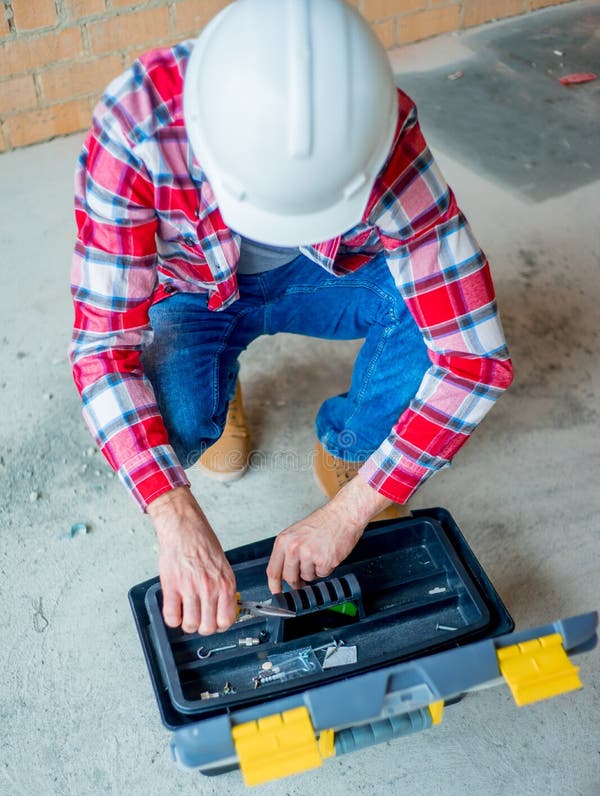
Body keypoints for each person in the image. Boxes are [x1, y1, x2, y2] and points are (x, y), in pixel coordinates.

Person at [69, 0, 513, 637]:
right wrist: (176, 518)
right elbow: (101, 349)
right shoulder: (137, 125)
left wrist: (353, 509)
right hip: (194, 291)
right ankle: (216, 388)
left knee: (423, 322)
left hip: (325, 277)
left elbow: (473, 357)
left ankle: (352, 447)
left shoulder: (375, 128)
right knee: (172, 423)